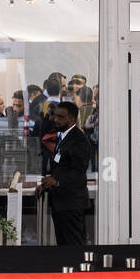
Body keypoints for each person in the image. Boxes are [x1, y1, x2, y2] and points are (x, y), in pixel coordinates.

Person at [42, 101, 92, 246]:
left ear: (72, 119)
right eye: (55, 115)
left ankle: (78, 269)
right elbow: (61, 165)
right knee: (63, 246)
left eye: (60, 117)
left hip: (72, 204)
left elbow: (78, 172)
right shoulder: (63, 137)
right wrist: (47, 183)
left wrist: (56, 180)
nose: (55, 119)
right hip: (60, 203)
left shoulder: (79, 140)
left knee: (74, 245)